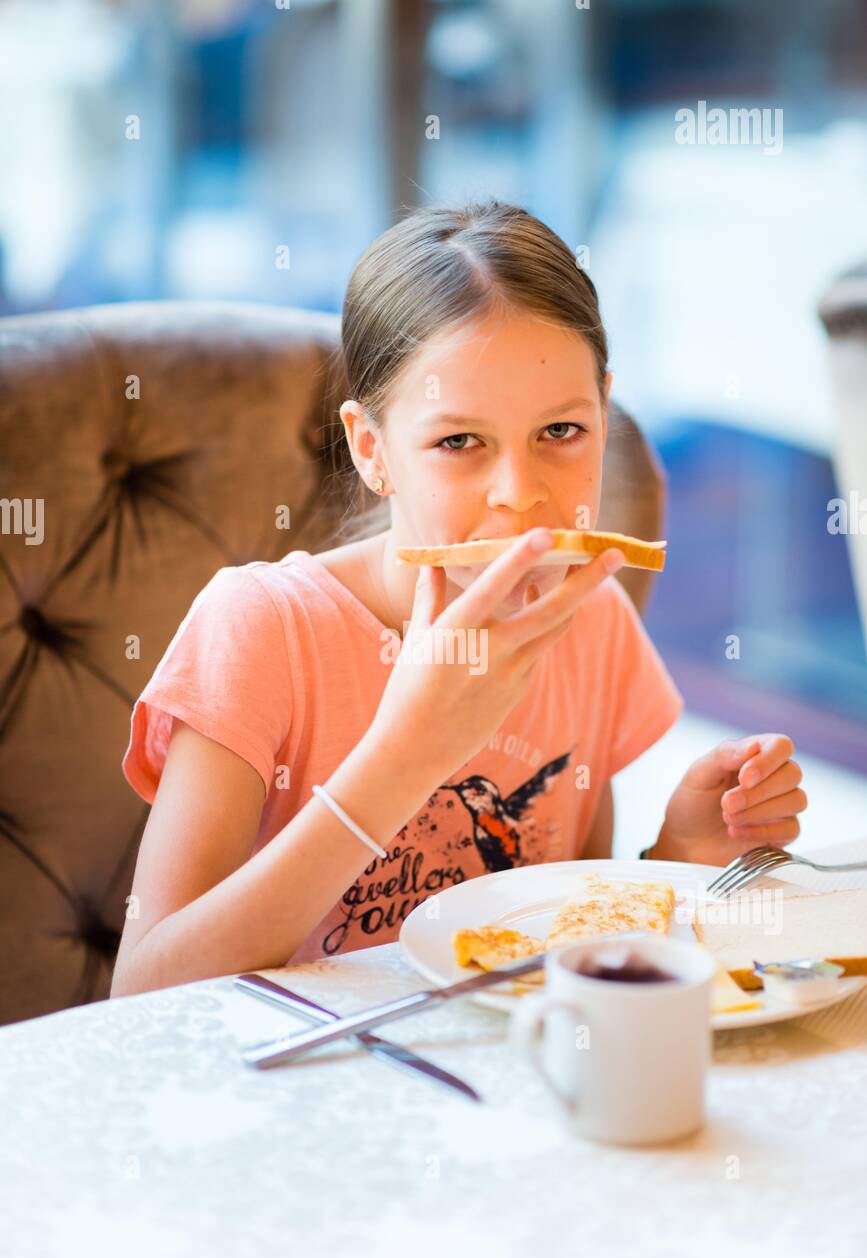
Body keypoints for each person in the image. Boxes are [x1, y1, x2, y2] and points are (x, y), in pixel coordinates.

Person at [112, 200, 807, 994]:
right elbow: (140, 992)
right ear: (371, 448)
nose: (519, 496)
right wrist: (407, 753)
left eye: (560, 432)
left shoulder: (590, 622)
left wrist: (677, 858)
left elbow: (559, 941)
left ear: (604, 416)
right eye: (457, 442)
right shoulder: (262, 630)